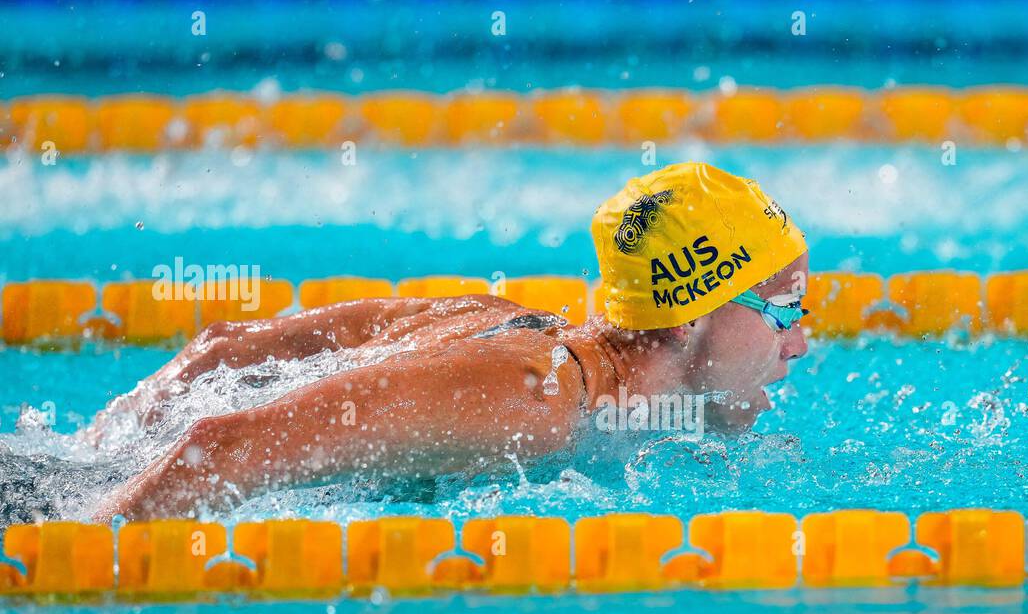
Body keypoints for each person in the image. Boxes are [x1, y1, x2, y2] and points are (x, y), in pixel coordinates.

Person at [88, 162, 809, 522]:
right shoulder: (534, 402)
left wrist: (92, 451)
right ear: (689, 314)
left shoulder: (505, 321)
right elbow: (220, 451)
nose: (799, 343)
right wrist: (65, 561)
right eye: (784, 309)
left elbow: (223, 349)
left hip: (74, 474)